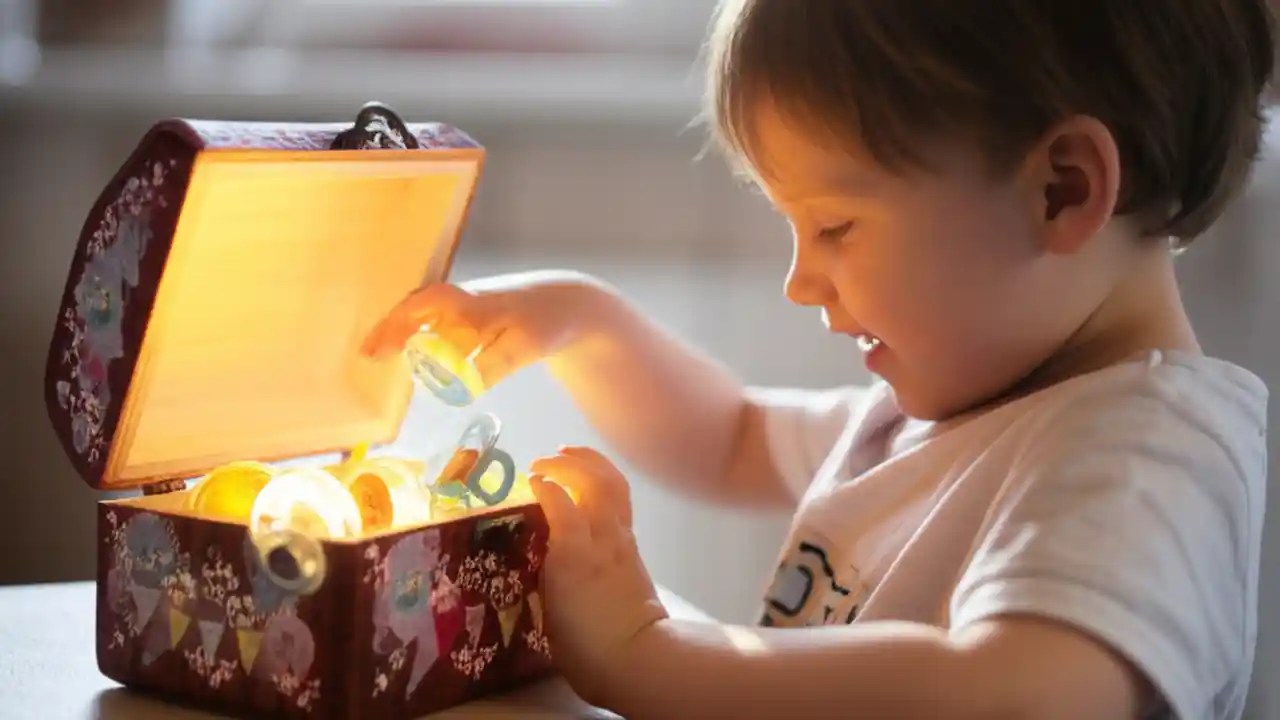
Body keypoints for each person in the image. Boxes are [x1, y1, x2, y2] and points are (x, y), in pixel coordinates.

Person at [363, 1, 1277, 717]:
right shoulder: (947, 416)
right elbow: (728, 439)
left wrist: (649, 656)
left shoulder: (1148, 449)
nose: (802, 282)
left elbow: (1025, 691)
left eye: (835, 226)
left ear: (1062, 188)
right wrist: (581, 323)